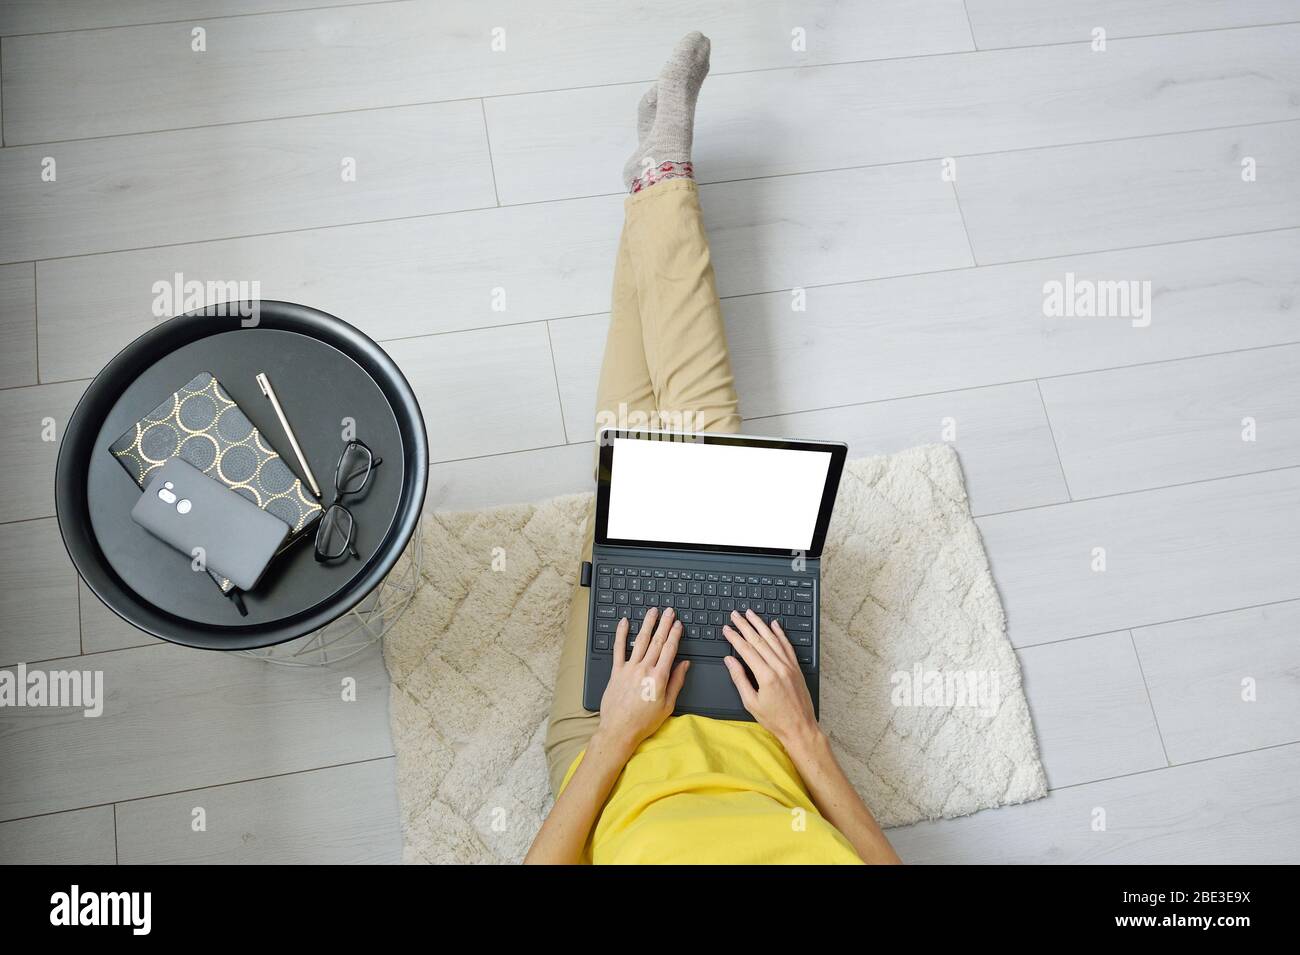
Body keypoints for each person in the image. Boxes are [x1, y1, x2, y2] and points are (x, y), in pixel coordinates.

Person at [525, 33, 900, 865]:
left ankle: (659, 181)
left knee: (632, 476)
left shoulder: (610, 736)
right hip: (760, 727)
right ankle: (655, 183)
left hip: (606, 746)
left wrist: (618, 732)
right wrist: (802, 735)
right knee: (697, 454)